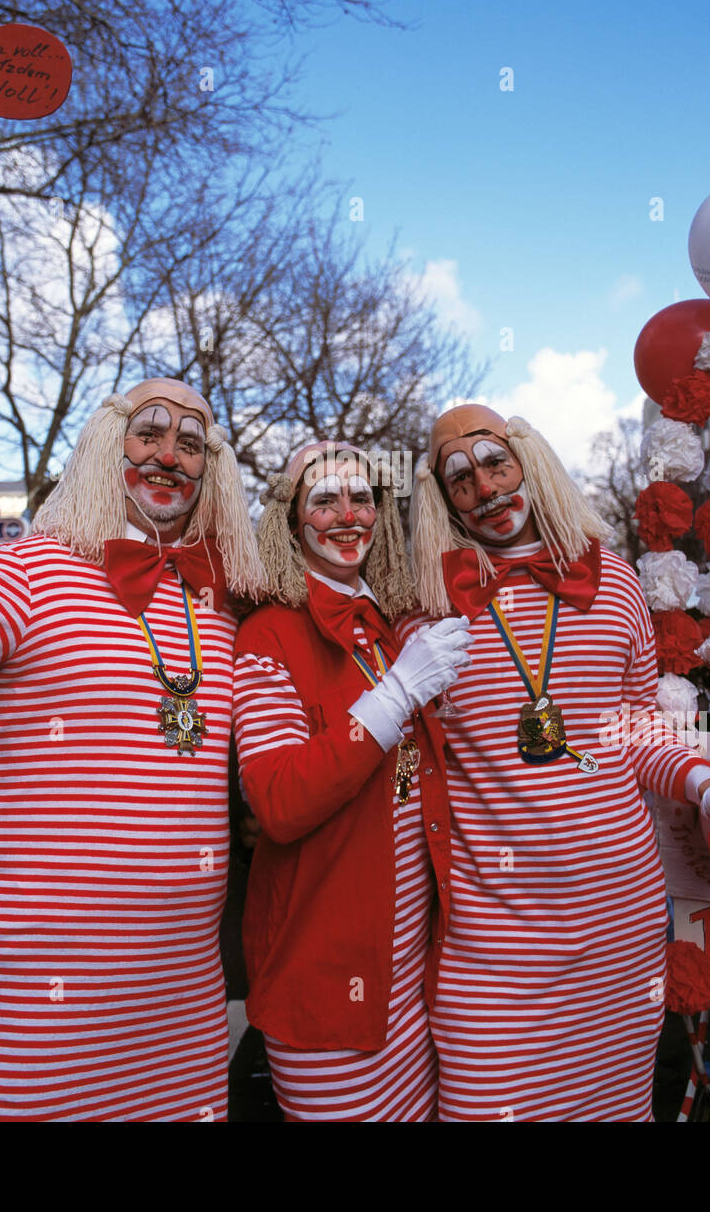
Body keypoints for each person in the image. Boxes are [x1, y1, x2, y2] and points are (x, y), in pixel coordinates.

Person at [0, 379, 264, 1121]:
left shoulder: (219, 599)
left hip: (184, 992)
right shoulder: (26, 570)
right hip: (48, 987)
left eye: (191, 444)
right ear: (102, 442)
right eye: (149, 433)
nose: (169, 456)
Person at [409, 404, 710, 1122]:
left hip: (619, 917)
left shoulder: (611, 581)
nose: (486, 488)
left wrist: (707, 786)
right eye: (461, 479)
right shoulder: (428, 608)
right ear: (441, 496)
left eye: (496, 463)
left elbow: (638, 727)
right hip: (494, 933)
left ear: (529, 462)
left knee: (613, 1107)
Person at [232, 441, 469, 1121]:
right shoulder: (269, 636)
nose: (346, 514)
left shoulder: (391, 631)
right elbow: (278, 801)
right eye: (324, 499)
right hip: (327, 976)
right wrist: (399, 693)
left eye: (361, 497)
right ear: (292, 520)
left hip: (414, 976)